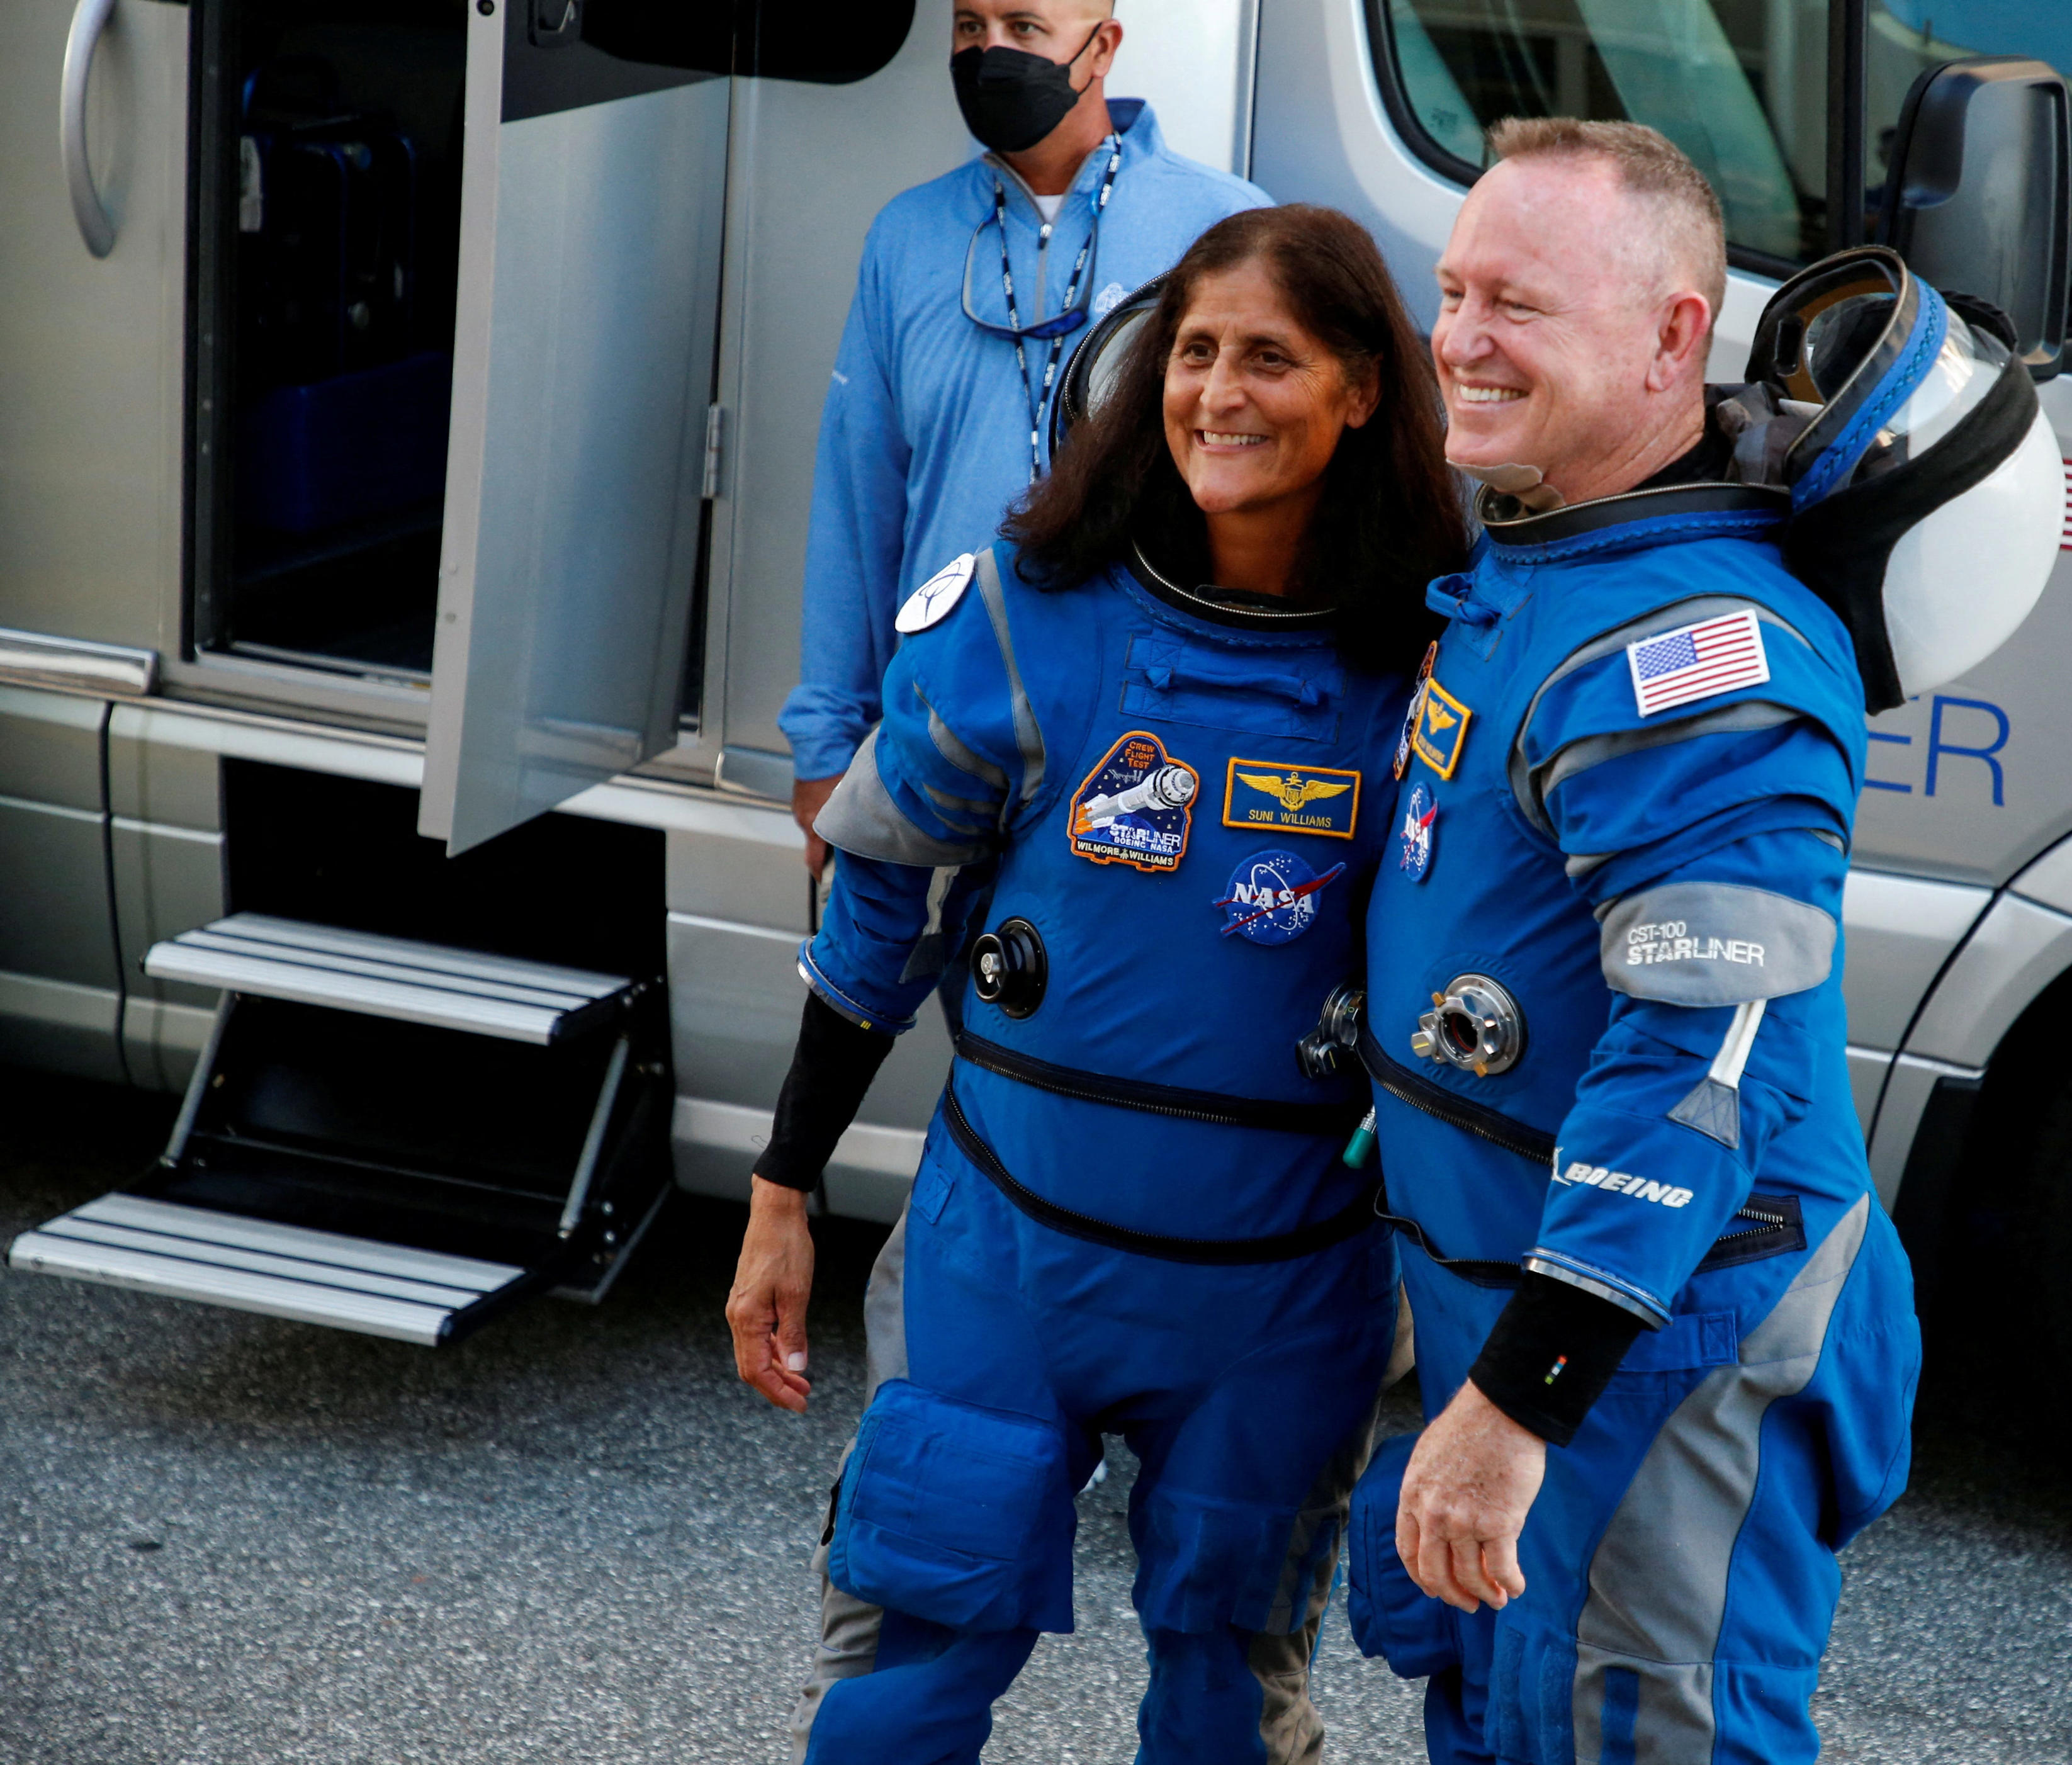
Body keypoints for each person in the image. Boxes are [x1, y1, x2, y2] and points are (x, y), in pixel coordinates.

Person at [723, 204, 1469, 1764]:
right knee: (902, 1690)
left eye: (1271, 356)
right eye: (1196, 352)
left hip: (1286, 1286)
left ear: (1361, 392)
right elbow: (881, 915)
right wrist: (784, 1188)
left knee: (1228, 1711)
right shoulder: (1024, 610)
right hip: (1012, 1252)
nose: (1221, 392)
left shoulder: (1444, 656)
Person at [1340, 121, 1926, 1763]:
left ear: (1674, 338)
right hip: (1539, 1316)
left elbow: (1702, 1056)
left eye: (1513, 302)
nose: (1455, 337)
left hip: (1661, 1356)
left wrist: (1520, 1392)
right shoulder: (1543, 553)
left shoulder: (1697, 657)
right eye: (1450, 291)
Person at [780, 0, 1266, 874]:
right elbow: (858, 498)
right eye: (970, 29)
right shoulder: (906, 235)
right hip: (936, 726)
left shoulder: (1225, 233)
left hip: (1138, 735)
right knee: (885, 994)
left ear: (1102, 47)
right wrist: (824, 745)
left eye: (1022, 27)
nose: (989, 53)